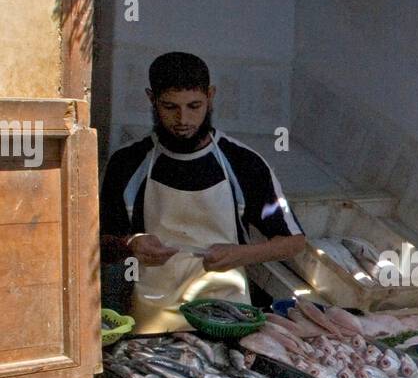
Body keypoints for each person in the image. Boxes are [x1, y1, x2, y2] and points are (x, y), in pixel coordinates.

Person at [100, 52, 305, 332]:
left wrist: (242, 254)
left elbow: (293, 241)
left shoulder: (245, 164)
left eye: (194, 106)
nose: (183, 119)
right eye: (170, 107)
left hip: (230, 316)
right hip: (153, 320)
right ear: (151, 99)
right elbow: (98, 242)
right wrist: (130, 244)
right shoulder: (128, 163)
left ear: (210, 96)